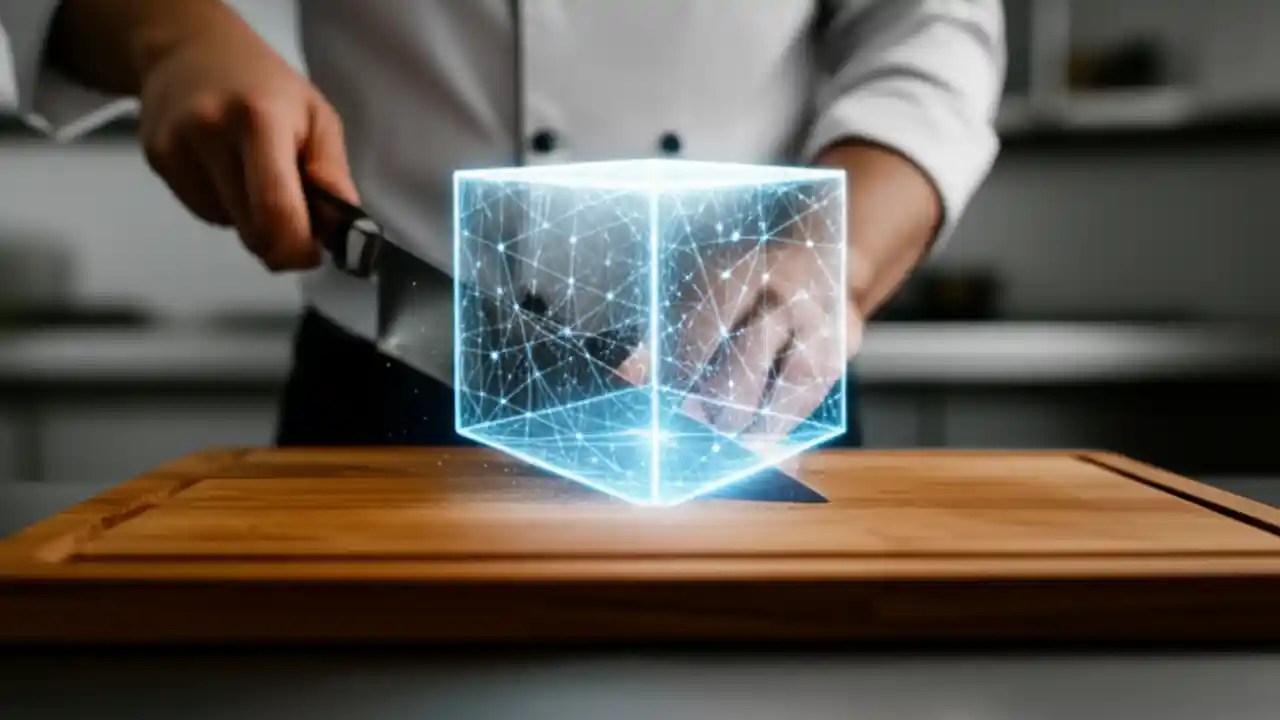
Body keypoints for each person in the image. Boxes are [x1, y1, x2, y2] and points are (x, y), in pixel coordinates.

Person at [0, 1, 1003, 448]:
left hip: (750, 392)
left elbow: (932, 32)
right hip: (386, 375)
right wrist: (167, 31)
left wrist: (835, 257)